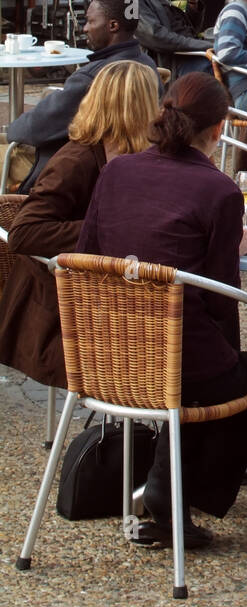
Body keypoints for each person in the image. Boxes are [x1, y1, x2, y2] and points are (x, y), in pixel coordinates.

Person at [77, 74, 247, 548]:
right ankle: (178, 495)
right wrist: (230, 248)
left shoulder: (116, 171)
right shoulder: (219, 191)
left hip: (105, 360)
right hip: (176, 368)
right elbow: (219, 300)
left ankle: (168, 491)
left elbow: (88, 257)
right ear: (219, 128)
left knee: (200, 367)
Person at [0, 62, 161, 388]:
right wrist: (108, 228)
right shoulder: (77, 160)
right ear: (139, 107)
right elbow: (24, 233)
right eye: (156, 100)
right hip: (66, 312)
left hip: (113, 287)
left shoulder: (135, 154)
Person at [7, 0, 159, 191]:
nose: (85, 28)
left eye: (89, 21)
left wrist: (10, 131)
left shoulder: (93, 77)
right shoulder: (147, 66)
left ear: (113, 26)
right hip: (135, 166)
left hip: (79, 174)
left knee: (5, 152)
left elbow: (32, 129)